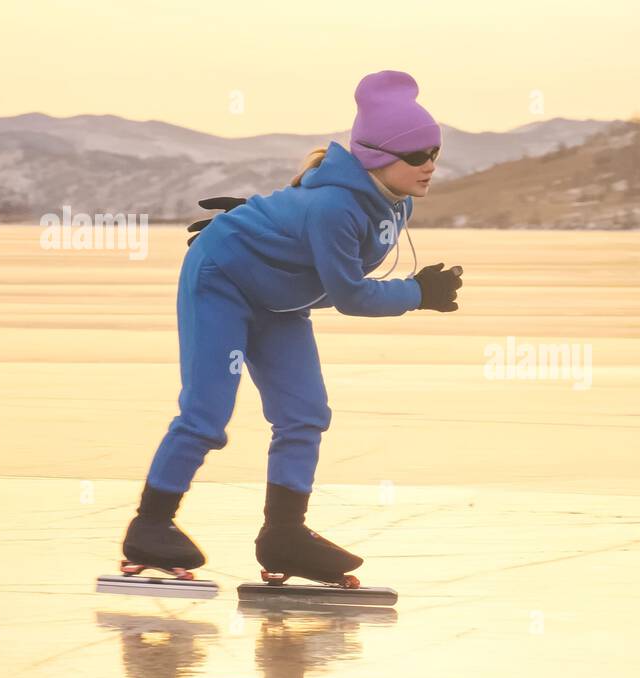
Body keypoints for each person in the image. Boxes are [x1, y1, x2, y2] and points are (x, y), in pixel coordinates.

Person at [120, 70, 463, 583]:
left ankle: (284, 536)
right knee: (207, 413)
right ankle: (150, 525)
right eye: (415, 155)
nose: (429, 164)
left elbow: (318, 247)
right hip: (222, 282)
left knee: (305, 414)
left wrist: (264, 225)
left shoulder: (395, 202)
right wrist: (416, 293)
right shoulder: (338, 206)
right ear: (374, 156)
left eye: (433, 150)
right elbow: (348, 294)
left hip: (278, 298)